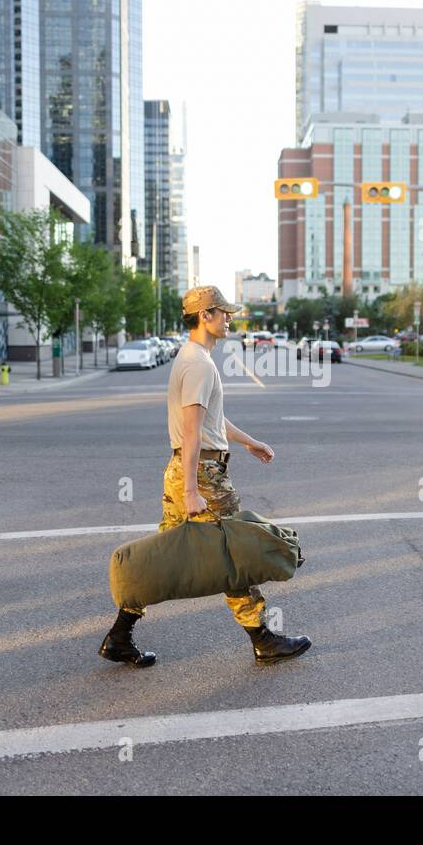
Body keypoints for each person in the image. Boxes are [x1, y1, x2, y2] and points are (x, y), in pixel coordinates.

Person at [99, 286, 312, 668]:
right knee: (235, 550)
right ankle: (262, 639)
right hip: (201, 474)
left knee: (165, 558)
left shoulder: (194, 358)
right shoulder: (198, 363)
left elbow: (212, 420)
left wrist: (248, 442)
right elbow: (193, 428)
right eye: (223, 313)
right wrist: (194, 489)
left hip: (186, 469)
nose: (229, 319)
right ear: (205, 316)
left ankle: (119, 636)